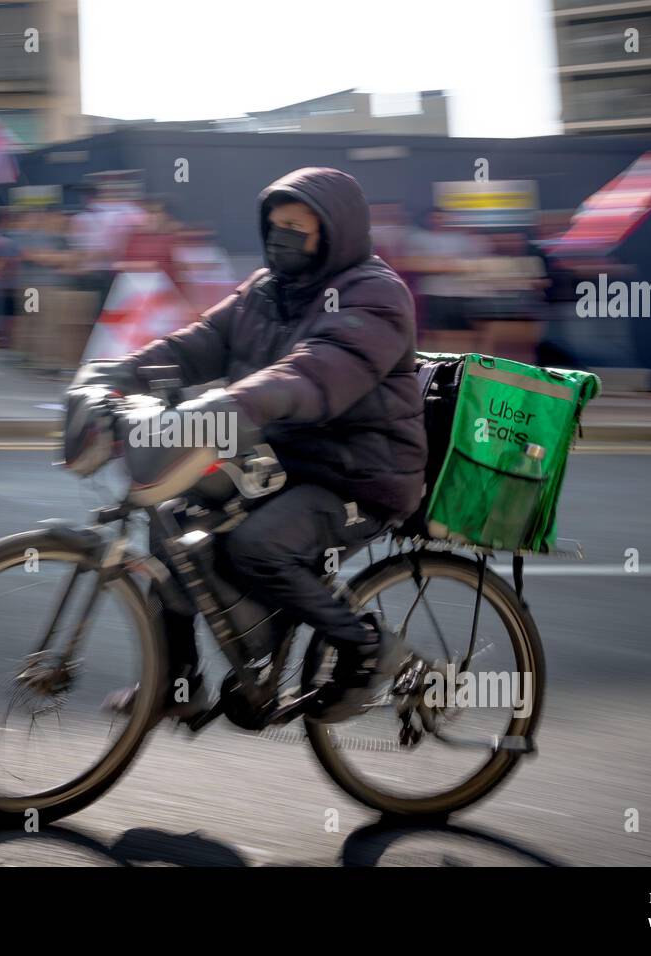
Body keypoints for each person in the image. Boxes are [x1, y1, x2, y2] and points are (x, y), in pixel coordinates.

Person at [67, 167, 427, 723]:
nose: (282, 236)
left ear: (334, 231)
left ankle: (364, 648)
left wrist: (235, 404)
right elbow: (199, 343)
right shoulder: (268, 289)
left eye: (297, 226)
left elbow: (315, 373)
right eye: (275, 225)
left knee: (257, 547)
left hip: (359, 474)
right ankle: (175, 680)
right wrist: (116, 377)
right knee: (172, 518)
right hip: (283, 458)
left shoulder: (375, 295)